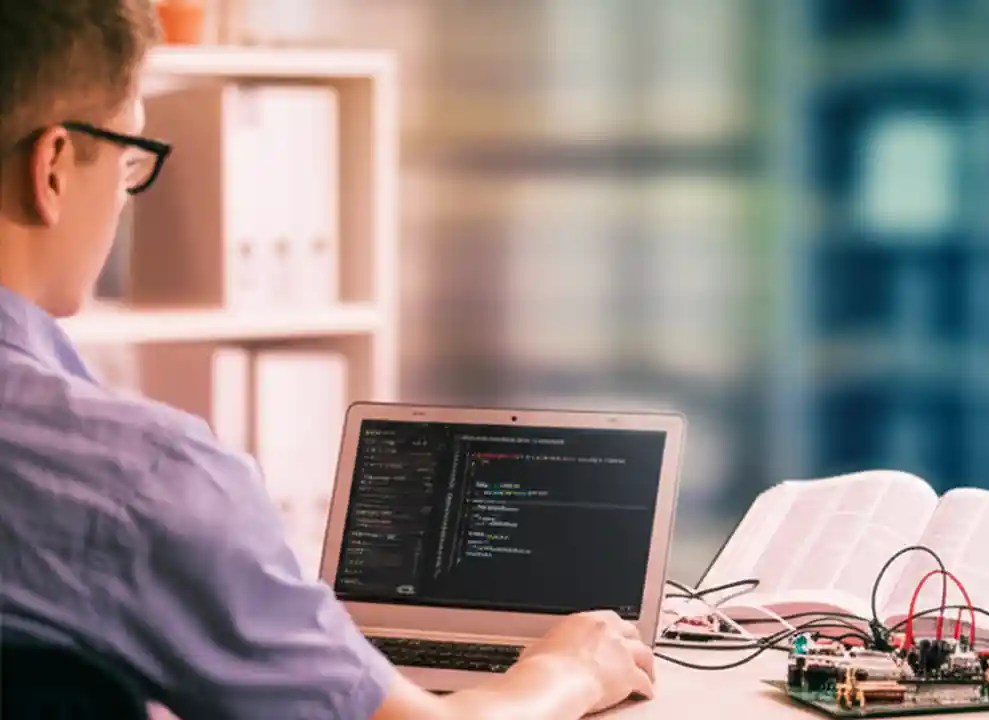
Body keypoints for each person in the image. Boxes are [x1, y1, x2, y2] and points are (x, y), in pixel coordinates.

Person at [0, 2, 655, 719]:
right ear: (54, 167)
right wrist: (571, 671)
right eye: (131, 159)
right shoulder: (139, 479)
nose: (127, 197)